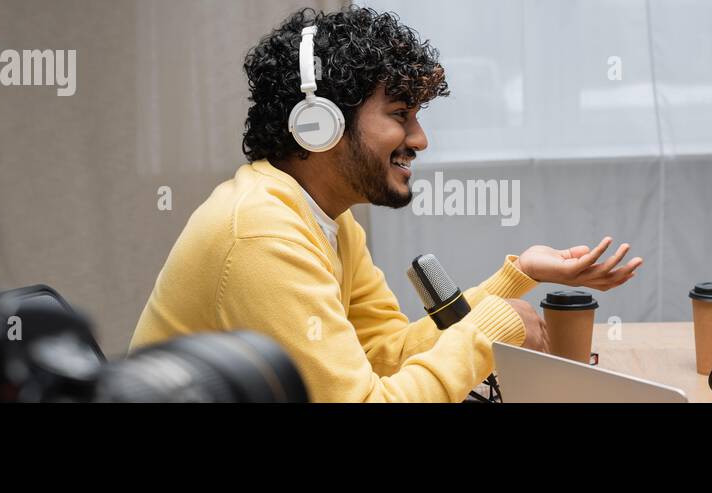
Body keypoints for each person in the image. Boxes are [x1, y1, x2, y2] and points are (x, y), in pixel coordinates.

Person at [130, 7, 643, 402]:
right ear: (320, 123)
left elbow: (385, 356)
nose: (419, 139)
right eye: (401, 113)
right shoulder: (264, 235)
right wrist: (492, 328)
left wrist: (518, 277)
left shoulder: (326, 219)